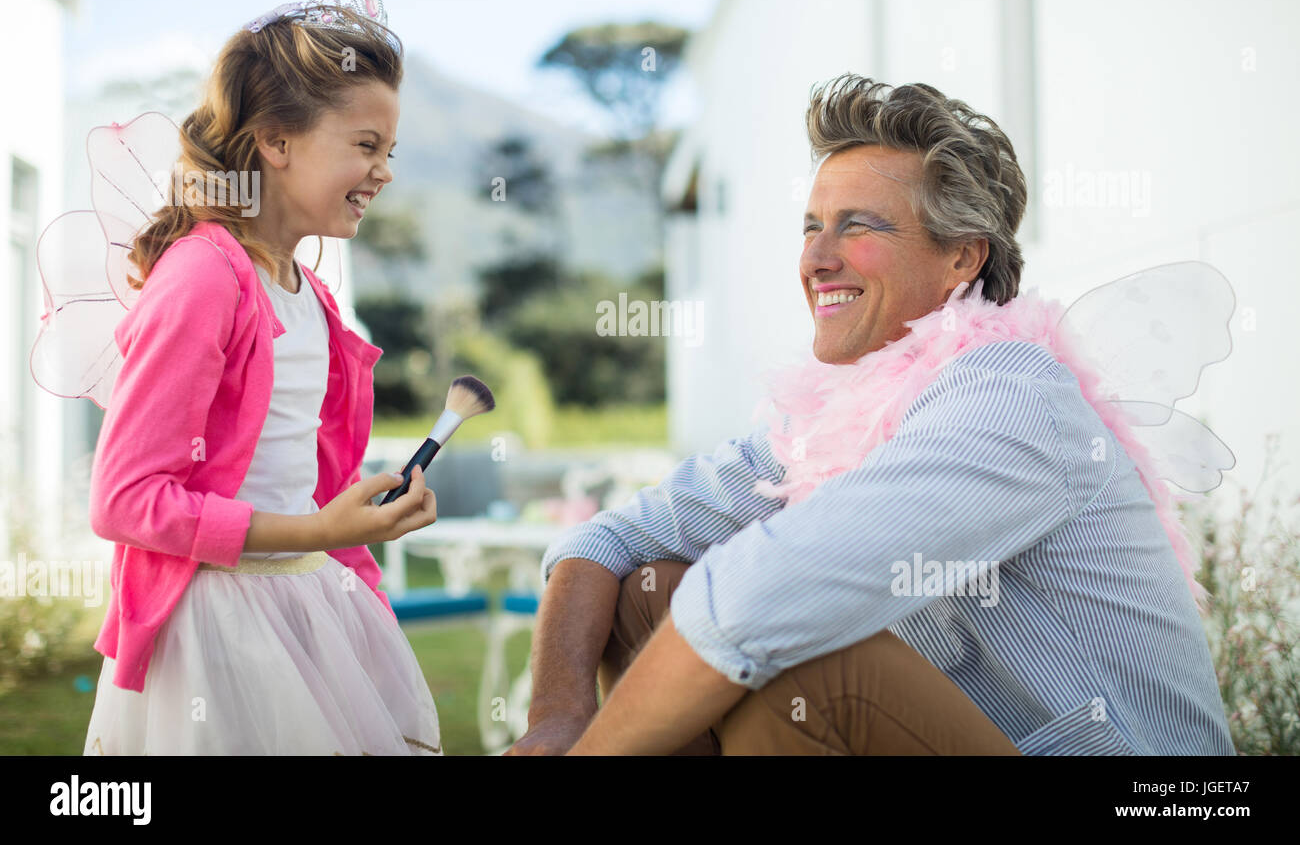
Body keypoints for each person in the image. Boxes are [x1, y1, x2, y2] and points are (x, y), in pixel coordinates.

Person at [509, 75, 1236, 756]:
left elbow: (759, 599)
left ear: (962, 258)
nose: (817, 259)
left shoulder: (1013, 398)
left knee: (815, 667)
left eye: (858, 227)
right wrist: (556, 720)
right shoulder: (833, 417)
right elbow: (604, 541)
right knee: (651, 588)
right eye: (811, 226)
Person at [79, 0, 443, 755]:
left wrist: (356, 527)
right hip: (219, 631)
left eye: (390, 151)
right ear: (277, 142)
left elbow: (300, 478)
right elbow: (123, 500)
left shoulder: (309, 293)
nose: (383, 172)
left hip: (306, 603)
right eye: (365, 146)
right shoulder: (204, 276)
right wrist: (315, 527)